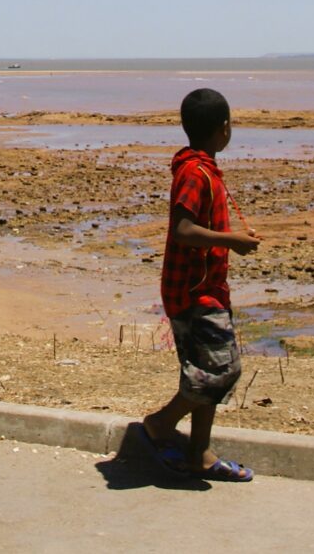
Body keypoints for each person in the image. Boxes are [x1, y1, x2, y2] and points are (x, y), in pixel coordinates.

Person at [133, 88, 262, 482]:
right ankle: (161, 422)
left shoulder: (204, 168)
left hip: (206, 286)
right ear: (224, 129)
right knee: (222, 370)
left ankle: (199, 453)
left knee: (203, 369)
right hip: (192, 290)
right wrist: (231, 240)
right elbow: (183, 229)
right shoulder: (195, 172)